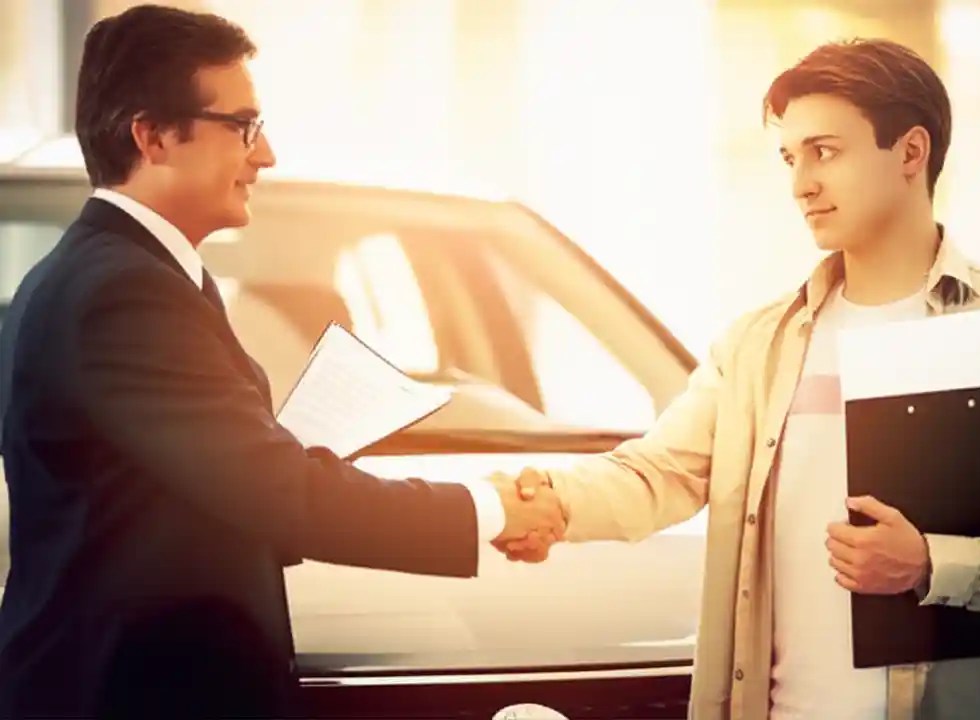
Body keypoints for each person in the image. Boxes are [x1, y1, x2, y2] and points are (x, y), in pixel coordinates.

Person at [497, 39, 980, 720]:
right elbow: (662, 474)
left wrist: (929, 563)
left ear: (911, 153)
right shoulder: (758, 346)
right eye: (790, 157)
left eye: (824, 151)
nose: (801, 182)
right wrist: (550, 504)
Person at [0, 6, 564, 718]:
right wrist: (490, 508)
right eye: (243, 127)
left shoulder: (124, 276)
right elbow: (275, 491)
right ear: (151, 136)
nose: (265, 156)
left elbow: (199, 490)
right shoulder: (122, 292)